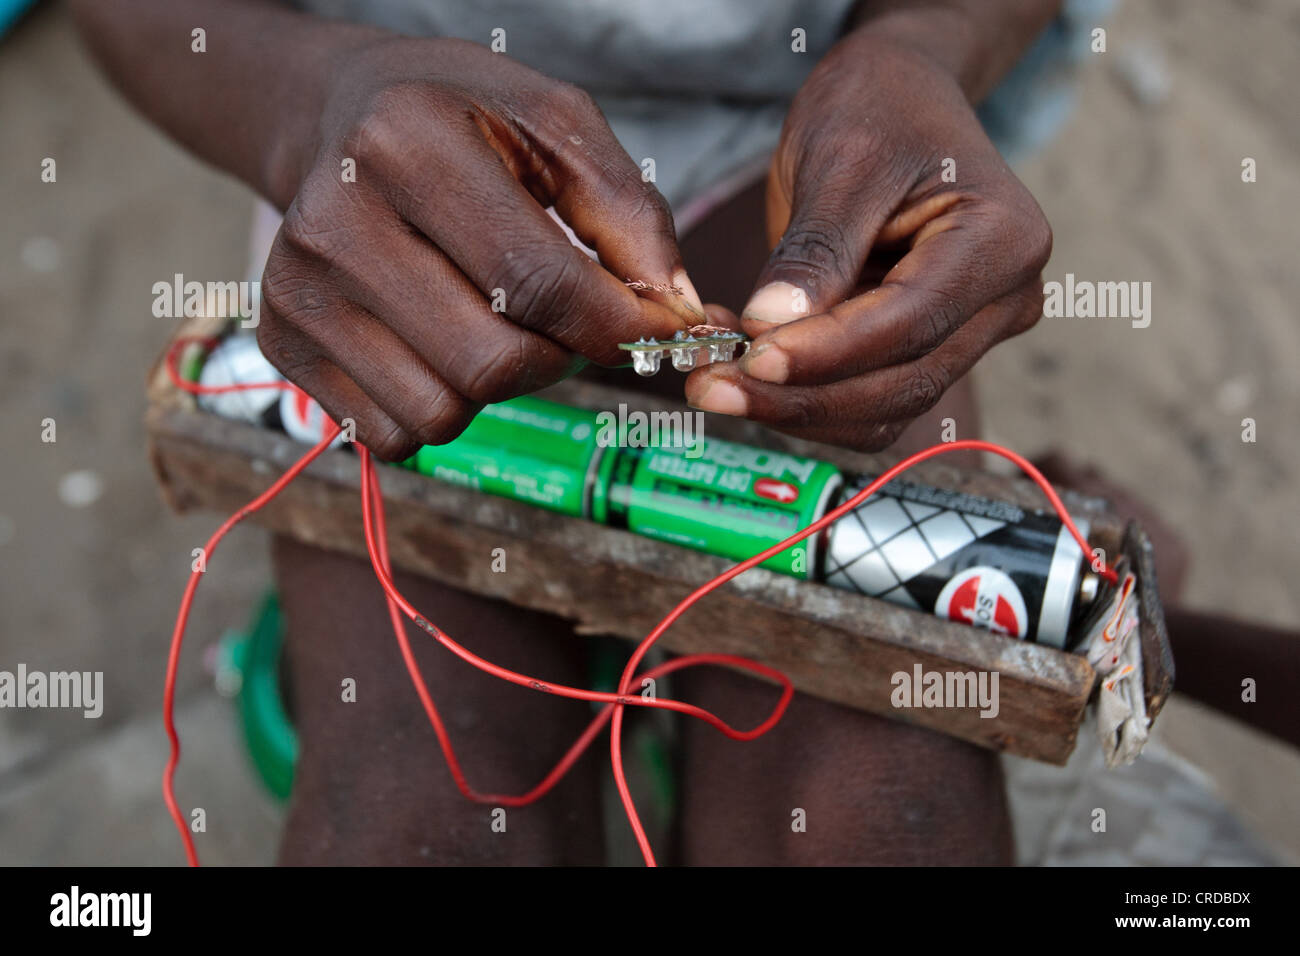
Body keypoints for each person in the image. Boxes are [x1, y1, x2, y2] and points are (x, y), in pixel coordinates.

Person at [75, 0, 1068, 864]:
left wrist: (919, 45)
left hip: (800, 171)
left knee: (891, 814)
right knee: (416, 817)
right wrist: (311, 110)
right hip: (390, 204)